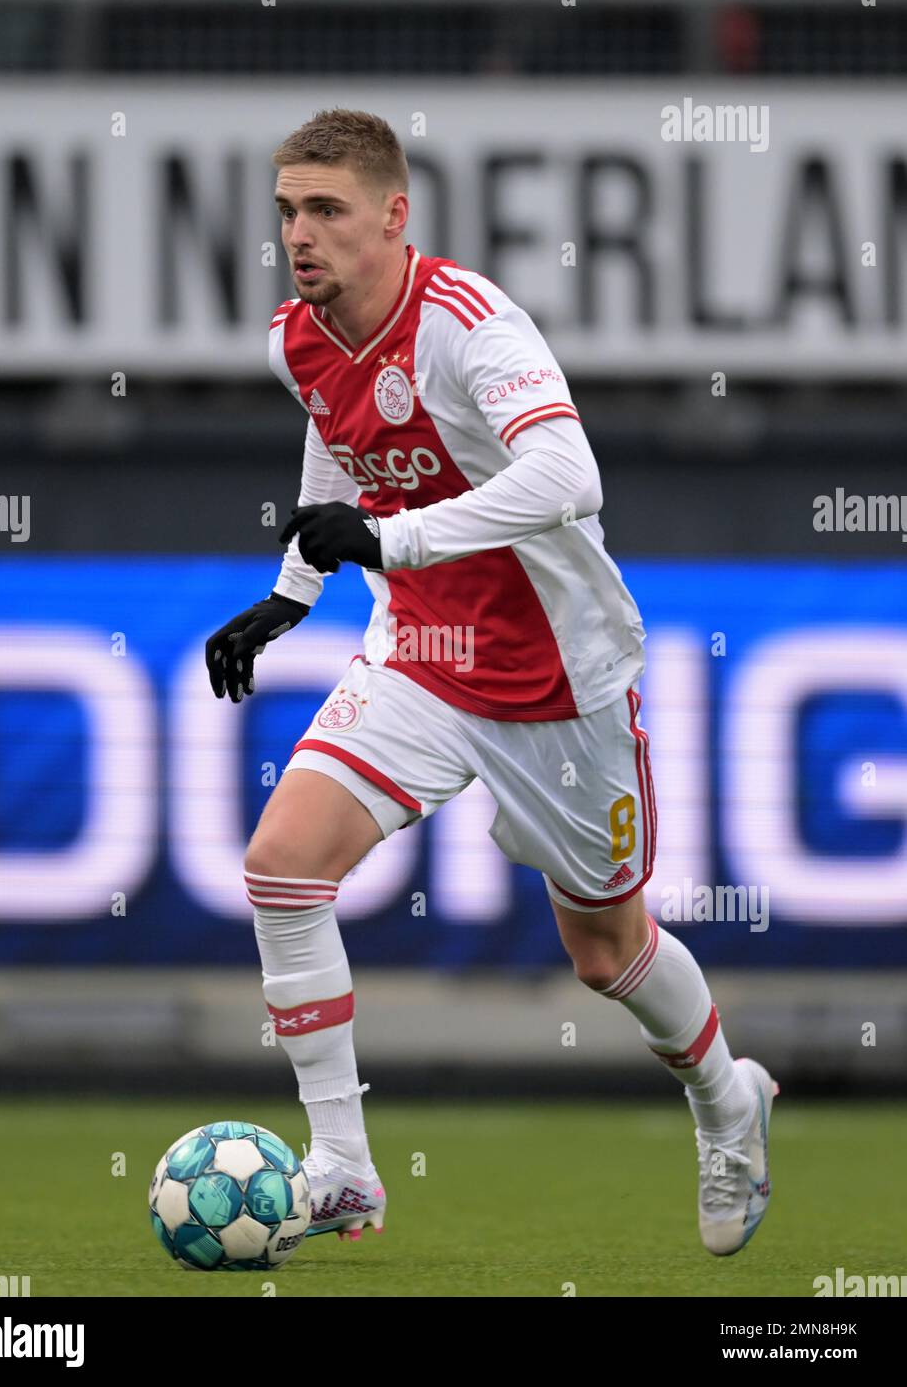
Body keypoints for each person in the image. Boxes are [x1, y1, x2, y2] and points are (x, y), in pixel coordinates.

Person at [205, 107, 777, 1255]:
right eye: (286, 212)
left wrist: (392, 539)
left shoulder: (469, 325)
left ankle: (725, 1100)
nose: (300, 235)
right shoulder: (297, 335)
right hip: (418, 655)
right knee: (279, 869)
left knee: (604, 951)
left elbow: (569, 474)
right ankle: (343, 1167)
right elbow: (336, 438)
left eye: (326, 210)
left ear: (393, 215)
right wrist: (294, 592)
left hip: (555, 677)